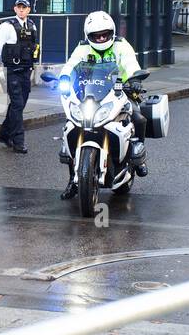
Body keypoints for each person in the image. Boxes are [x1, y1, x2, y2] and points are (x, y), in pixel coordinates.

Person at [58, 10, 146, 198]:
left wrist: (135, 79)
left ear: (111, 32)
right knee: (71, 127)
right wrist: (63, 77)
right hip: (90, 95)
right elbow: (71, 64)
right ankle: (73, 181)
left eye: (104, 34)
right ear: (88, 36)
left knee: (138, 117)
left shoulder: (121, 46)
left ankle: (139, 159)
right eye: (96, 36)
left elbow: (131, 63)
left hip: (120, 92)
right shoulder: (83, 48)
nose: (100, 38)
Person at [0, 0, 38, 155]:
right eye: (19, 7)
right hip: (13, 69)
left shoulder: (32, 25)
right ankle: (19, 141)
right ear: (15, 9)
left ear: (29, 9)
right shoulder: (7, 26)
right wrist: (3, 63)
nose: (21, 10)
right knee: (17, 104)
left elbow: (34, 46)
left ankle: (4, 135)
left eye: (24, 7)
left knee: (20, 103)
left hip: (26, 69)